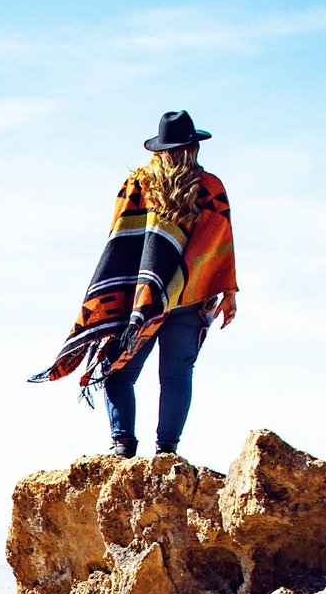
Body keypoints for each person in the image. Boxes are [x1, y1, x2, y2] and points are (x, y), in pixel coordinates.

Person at [32, 110, 237, 457]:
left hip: (139, 298)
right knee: (175, 375)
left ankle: (122, 443)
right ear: (193, 148)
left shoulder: (137, 185)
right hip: (190, 294)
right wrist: (228, 292)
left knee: (118, 369)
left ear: (157, 150)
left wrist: (131, 287)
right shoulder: (210, 188)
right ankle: (166, 451)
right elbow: (220, 244)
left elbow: (120, 240)